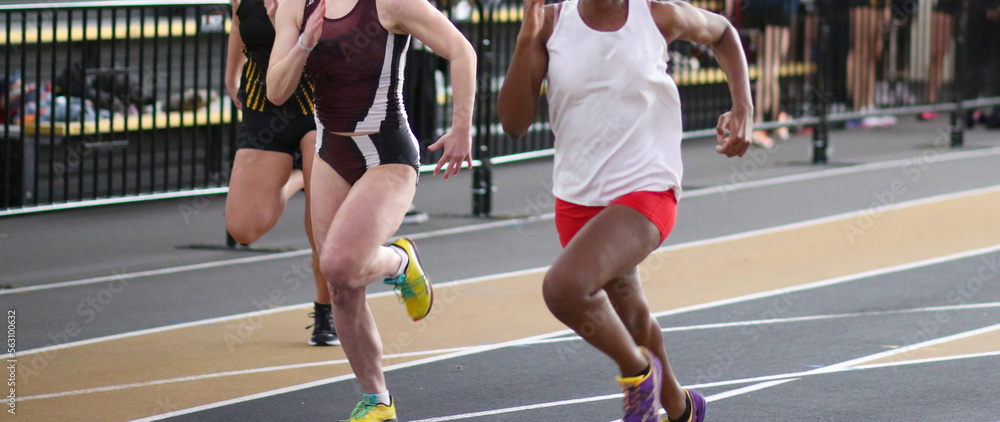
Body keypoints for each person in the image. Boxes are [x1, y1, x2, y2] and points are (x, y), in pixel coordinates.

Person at [499, 0, 752, 420]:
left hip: (647, 188)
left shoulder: (656, 13)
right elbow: (513, 123)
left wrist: (743, 106)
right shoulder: (550, 24)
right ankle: (682, 408)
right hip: (578, 197)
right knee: (631, 316)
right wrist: (527, 37)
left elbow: (723, 32)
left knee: (563, 288)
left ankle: (638, 374)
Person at [266, 0, 476, 419]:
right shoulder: (296, 5)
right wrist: (304, 44)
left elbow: (461, 51)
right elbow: (276, 91)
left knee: (339, 265)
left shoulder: (391, 2)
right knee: (341, 288)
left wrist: (462, 127)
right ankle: (377, 399)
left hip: (387, 155)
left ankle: (399, 261)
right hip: (332, 153)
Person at [224, 0, 339, 347]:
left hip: (319, 103)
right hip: (264, 105)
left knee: (321, 226)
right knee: (243, 227)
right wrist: (230, 74)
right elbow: (239, 23)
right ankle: (299, 177)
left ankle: (325, 310)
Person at [730, 0, 798, 147]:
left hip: (763, 9)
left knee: (768, 68)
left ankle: (774, 120)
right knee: (770, 69)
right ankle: (759, 124)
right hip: (775, 9)